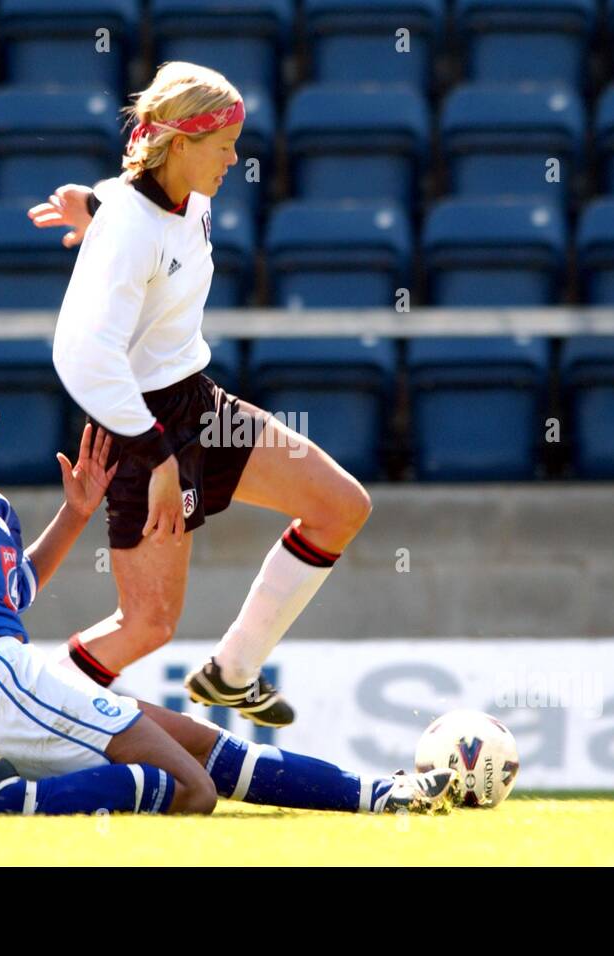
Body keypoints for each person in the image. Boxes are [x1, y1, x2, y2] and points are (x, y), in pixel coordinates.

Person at [0, 349, 457, 816]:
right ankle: (5, 804)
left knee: (201, 749)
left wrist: (73, 515)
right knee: (191, 791)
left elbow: (18, 592)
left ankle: (382, 796)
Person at [30, 61, 373, 728]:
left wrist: (90, 204)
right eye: (225, 145)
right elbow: (83, 356)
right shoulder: (129, 229)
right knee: (148, 625)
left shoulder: (185, 194)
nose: (235, 158)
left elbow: (137, 204)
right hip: (140, 427)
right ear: (181, 142)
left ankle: (232, 674)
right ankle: (10, 715)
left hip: (197, 403)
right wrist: (157, 458)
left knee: (340, 507)